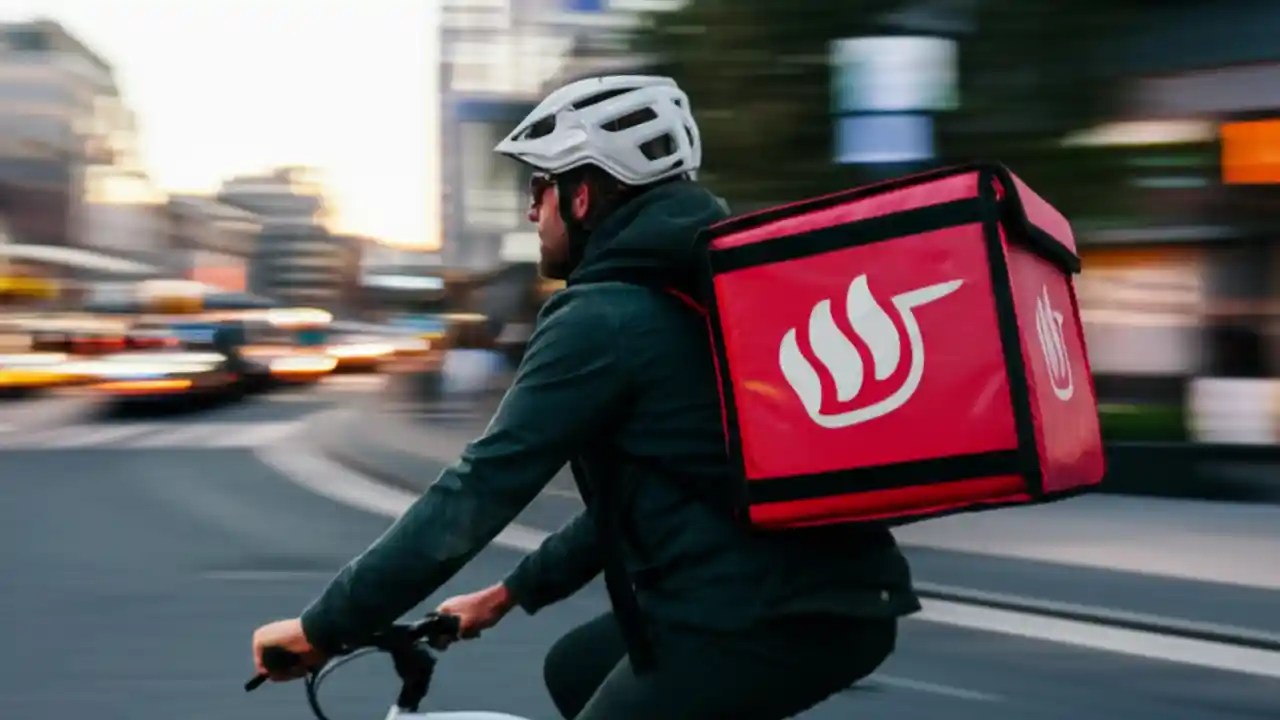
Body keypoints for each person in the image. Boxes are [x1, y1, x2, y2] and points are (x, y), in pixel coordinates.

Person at [251, 75, 920, 719]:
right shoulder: (692, 283)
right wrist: (509, 592)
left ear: (582, 196)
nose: (530, 210)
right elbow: (638, 495)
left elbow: (479, 488)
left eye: (539, 186)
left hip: (765, 613)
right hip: (828, 595)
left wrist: (324, 628)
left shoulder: (604, 317)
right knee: (575, 668)